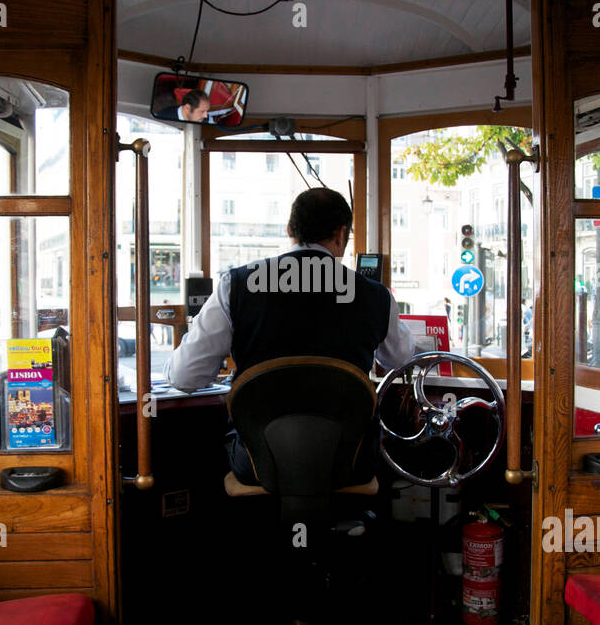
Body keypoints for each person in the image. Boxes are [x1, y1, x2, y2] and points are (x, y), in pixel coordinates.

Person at [167, 188, 415, 487]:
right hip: (351, 461)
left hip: (257, 462)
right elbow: (400, 361)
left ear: (289, 230)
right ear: (341, 234)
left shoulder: (236, 285)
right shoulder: (375, 295)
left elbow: (184, 377)